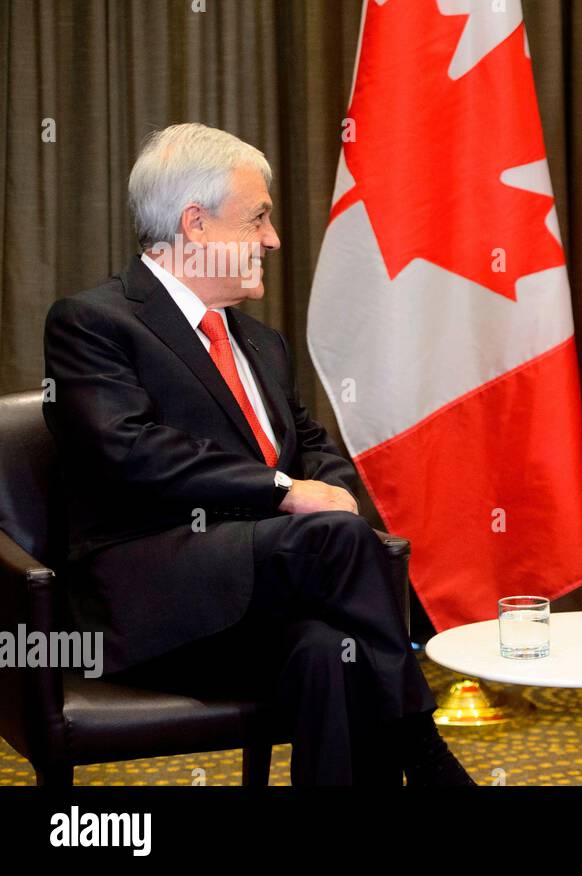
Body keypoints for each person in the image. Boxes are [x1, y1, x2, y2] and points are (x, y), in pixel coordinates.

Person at [43, 122, 473, 786]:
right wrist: (283, 490)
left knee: (338, 654)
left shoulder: (260, 344)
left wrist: (327, 486)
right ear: (197, 226)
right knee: (337, 539)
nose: (272, 239)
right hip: (153, 602)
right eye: (259, 218)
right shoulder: (94, 323)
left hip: (255, 606)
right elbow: (128, 451)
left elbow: (315, 449)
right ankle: (425, 747)